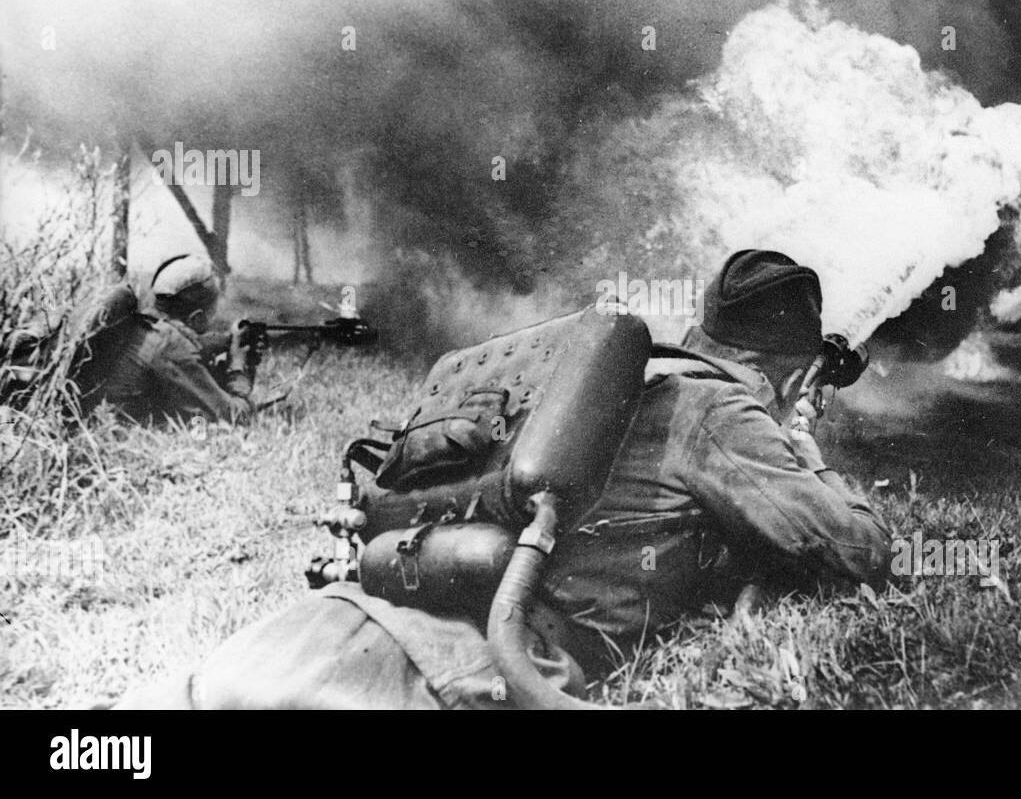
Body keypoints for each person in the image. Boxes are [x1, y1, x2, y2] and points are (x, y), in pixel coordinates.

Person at [114, 250, 890, 709]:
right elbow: (855, 550)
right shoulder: (719, 412)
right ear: (788, 368)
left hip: (326, 625)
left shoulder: (623, 379)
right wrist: (799, 439)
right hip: (438, 672)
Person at [76, 254, 256, 425]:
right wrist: (238, 367)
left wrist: (214, 345)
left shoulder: (144, 324)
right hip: (119, 437)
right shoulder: (172, 346)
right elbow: (233, 418)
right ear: (196, 318)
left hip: (94, 422)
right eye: (214, 314)